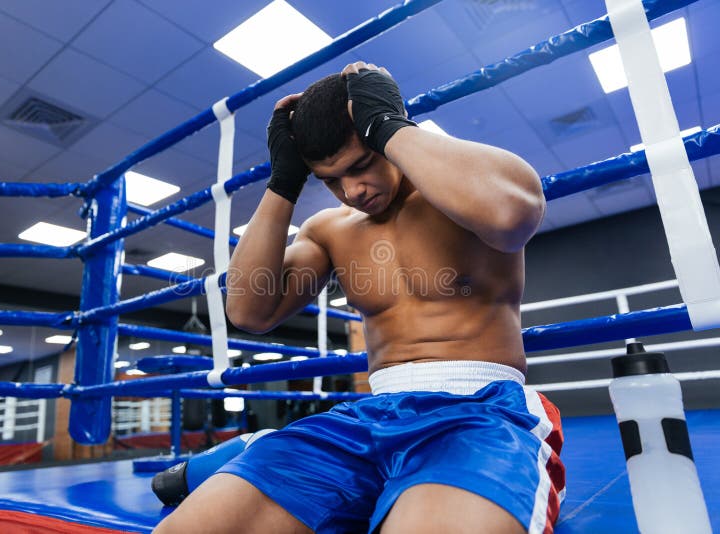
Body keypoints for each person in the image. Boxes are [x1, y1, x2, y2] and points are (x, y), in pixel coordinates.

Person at [153, 62, 565, 534]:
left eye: (361, 165)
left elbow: (512, 216)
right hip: (367, 419)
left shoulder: (464, 194)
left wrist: (390, 125)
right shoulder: (329, 229)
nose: (351, 191)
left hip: (478, 410)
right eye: (329, 180)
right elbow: (248, 309)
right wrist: (283, 181)